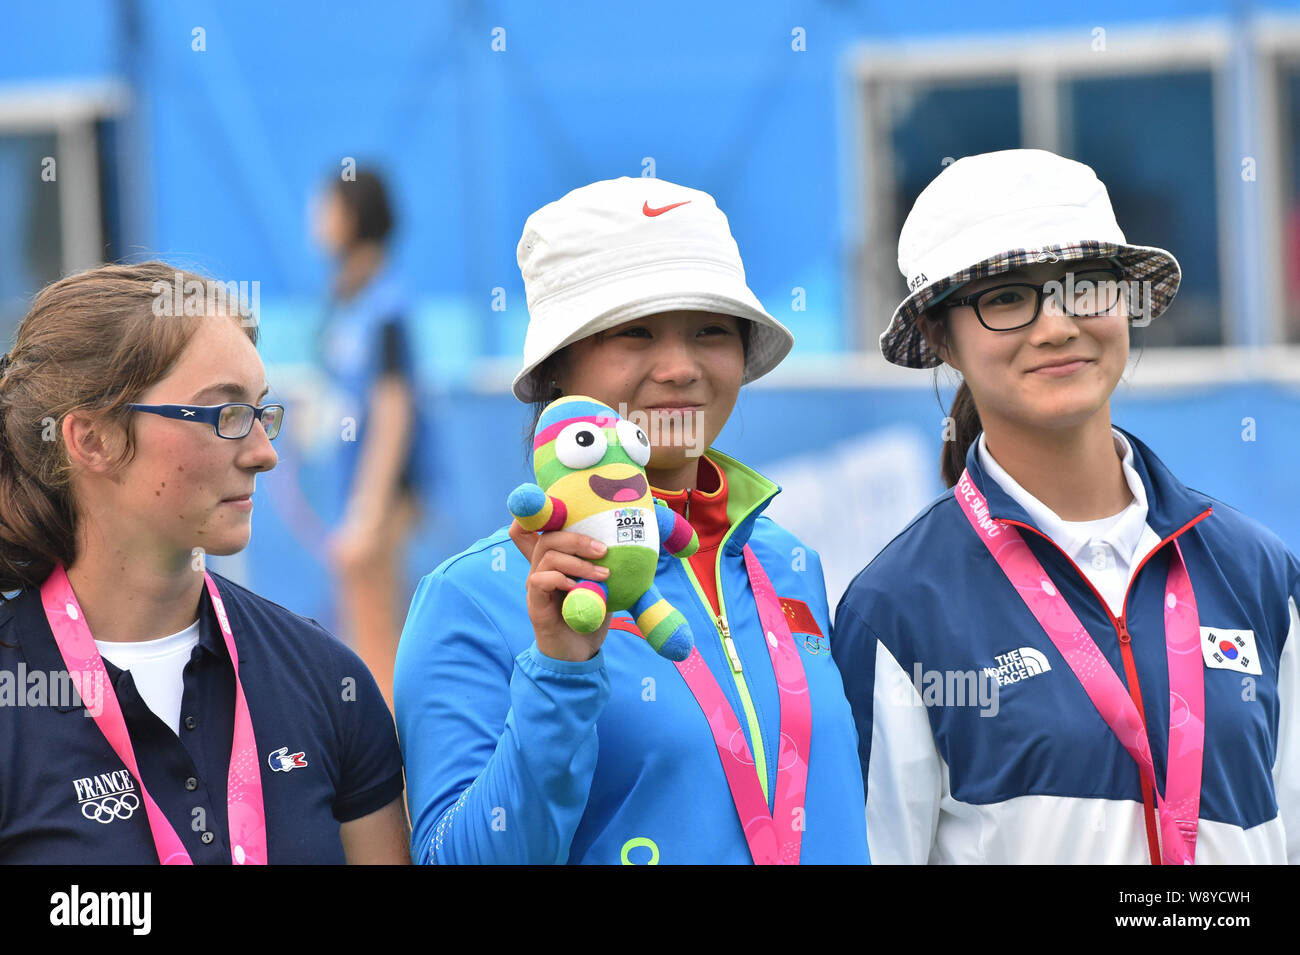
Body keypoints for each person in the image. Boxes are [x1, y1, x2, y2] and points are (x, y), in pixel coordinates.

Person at [833, 149, 1300, 864]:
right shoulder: (898, 607)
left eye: (1083, 286)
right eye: (1007, 296)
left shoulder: (1256, 569)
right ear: (939, 336)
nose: (1056, 326)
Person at [394, 177, 869, 864]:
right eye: (635, 333)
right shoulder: (473, 595)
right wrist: (559, 671)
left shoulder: (789, 562)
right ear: (560, 367)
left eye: (710, 330)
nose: (679, 367)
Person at [0, 262, 409, 864]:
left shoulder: (326, 682)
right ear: (91, 439)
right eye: (224, 414)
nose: (265, 455)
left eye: (261, 412)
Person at [313, 168, 424, 711]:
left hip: (378, 499)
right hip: (350, 492)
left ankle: (393, 779)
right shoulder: (347, 302)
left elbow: (394, 411)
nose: (316, 217)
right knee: (360, 628)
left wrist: (367, 511)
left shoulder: (387, 308)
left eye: (326, 205)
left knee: (379, 639)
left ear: (354, 216)